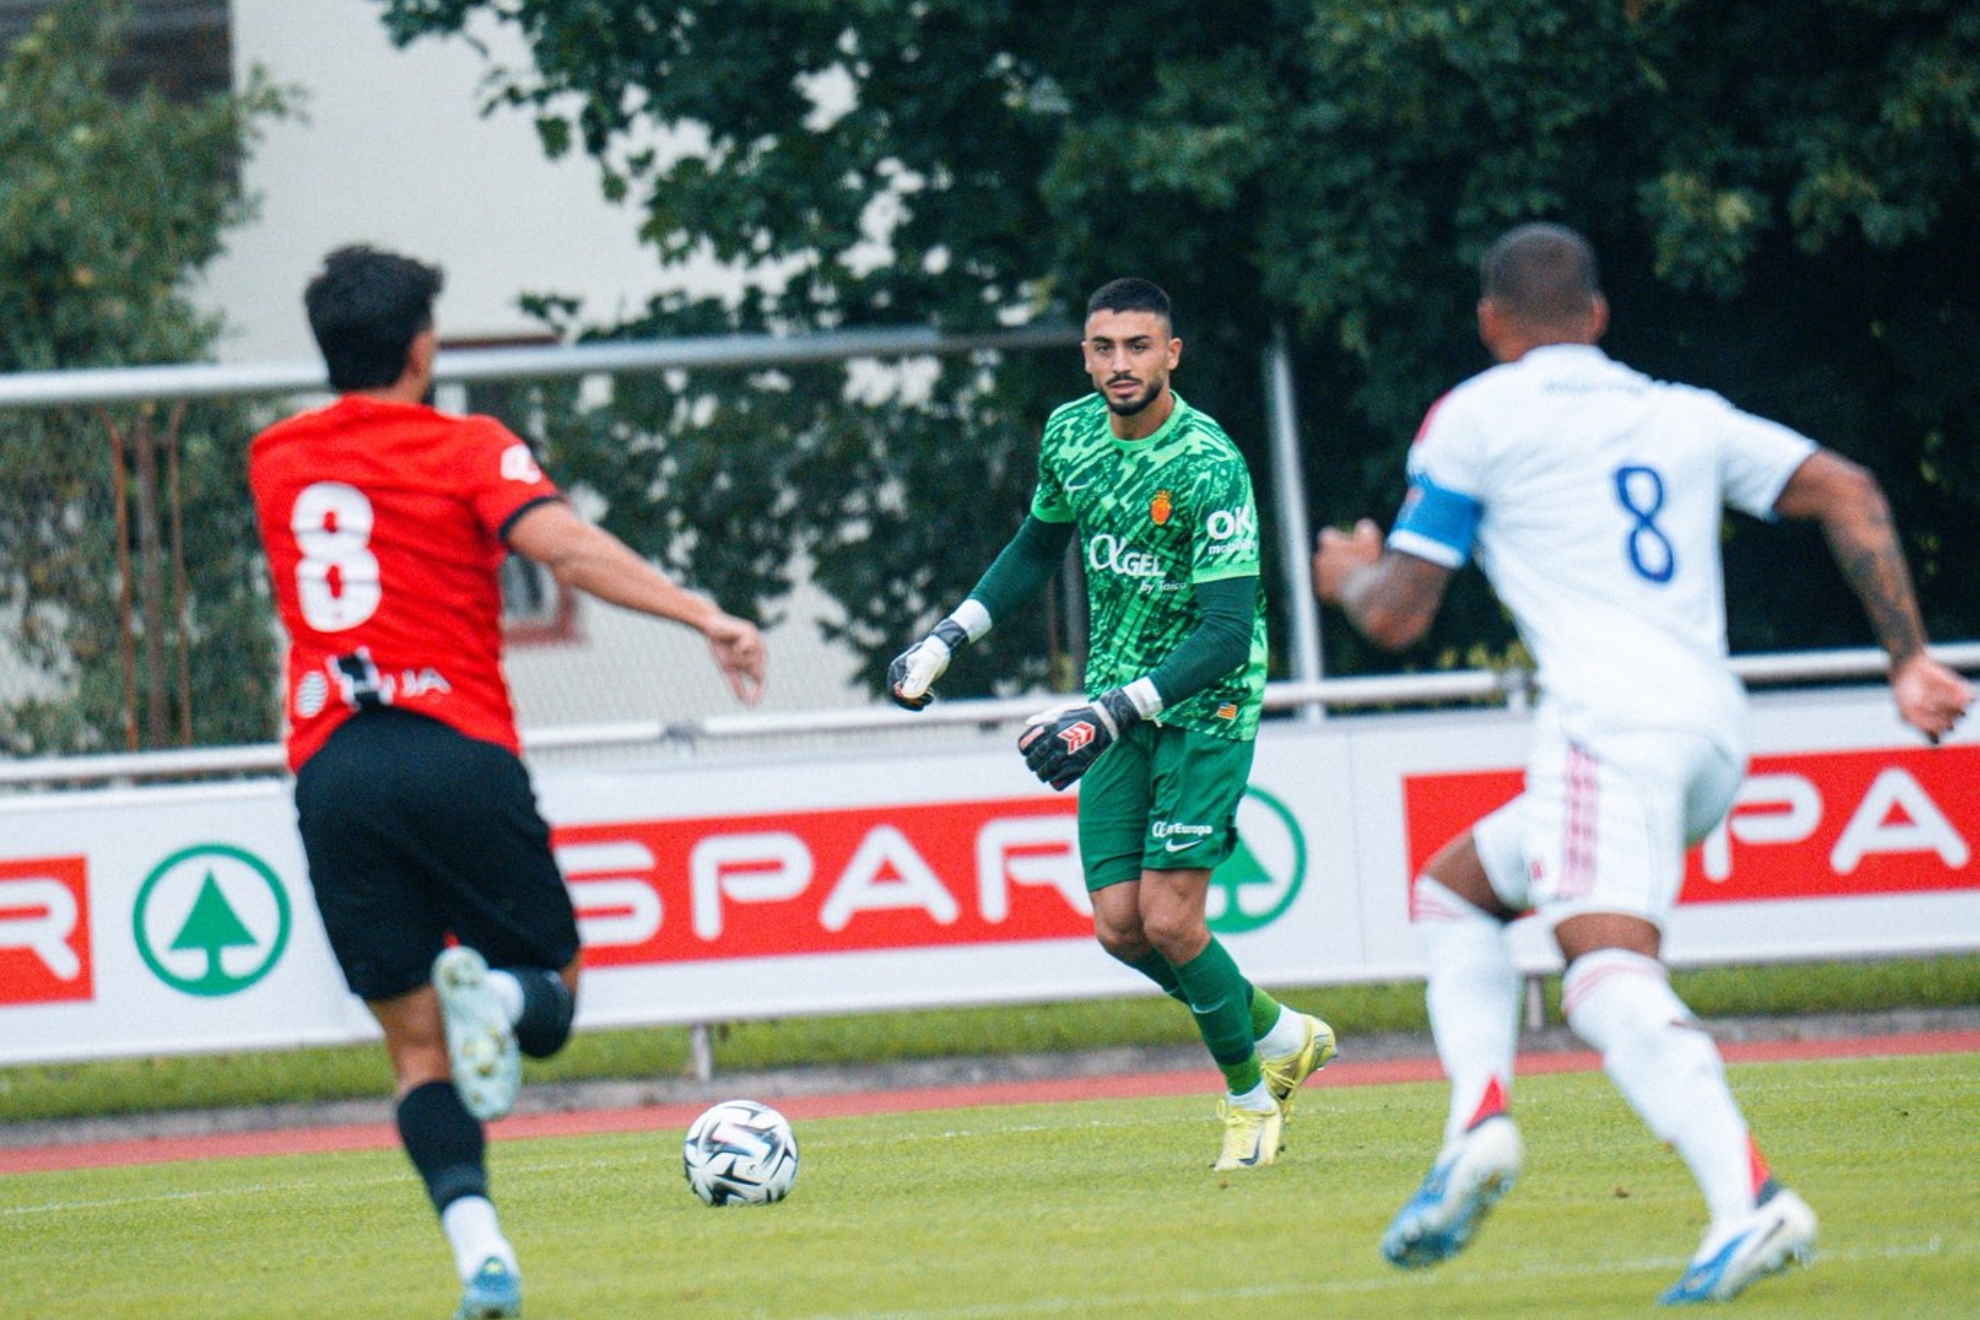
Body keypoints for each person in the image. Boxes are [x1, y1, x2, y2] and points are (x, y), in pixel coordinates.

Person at [1312, 222, 1974, 1304]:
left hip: (1605, 725)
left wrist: (1349, 574)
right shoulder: (1681, 413)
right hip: (1711, 731)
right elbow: (1850, 490)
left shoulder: (1475, 418)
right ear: (1600, 317)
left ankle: (1747, 1198)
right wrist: (1908, 664)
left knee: (1607, 976)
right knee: (1458, 889)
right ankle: (1475, 1119)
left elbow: (1398, 614)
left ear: (1489, 323)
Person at [250, 245, 766, 1320]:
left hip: (333, 766)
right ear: (423, 346)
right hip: (454, 745)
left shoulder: (276, 458)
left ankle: (481, 1255)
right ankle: (495, 992)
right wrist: (703, 614)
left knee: (413, 1051)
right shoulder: (468, 445)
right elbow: (566, 553)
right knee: (553, 989)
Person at [888, 277, 1336, 1171]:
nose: (1120, 364)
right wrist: (947, 639)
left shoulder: (1209, 463)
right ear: (1085, 354)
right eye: (1104, 347)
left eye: (1139, 346)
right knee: (1119, 926)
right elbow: (1035, 548)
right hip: (1113, 702)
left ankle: (1250, 1101)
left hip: (1205, 704)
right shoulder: (1071, 434)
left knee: (1171, 919)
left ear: (1172, 354)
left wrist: (1106, 713)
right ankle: (1281, 1033)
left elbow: (1222, 632)